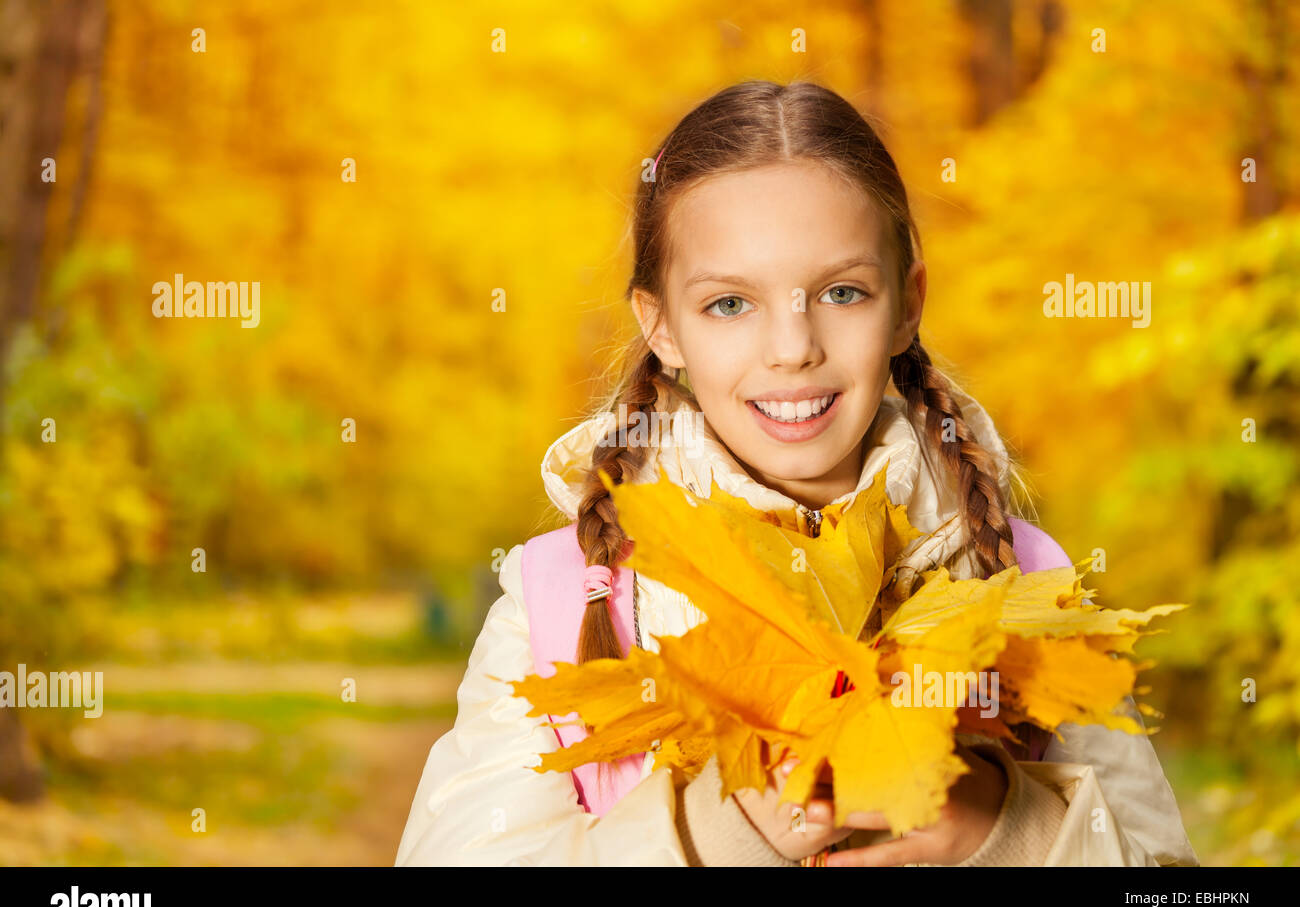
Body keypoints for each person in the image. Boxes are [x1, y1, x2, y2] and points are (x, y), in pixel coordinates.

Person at [395, 80, 1199, 867]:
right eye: (730, 305)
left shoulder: (1025, 585)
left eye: (841, 292)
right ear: (662, 327)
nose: (792, 346)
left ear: (908, 303)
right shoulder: (567, 602)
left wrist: (1012, 833)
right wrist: (707, 839)